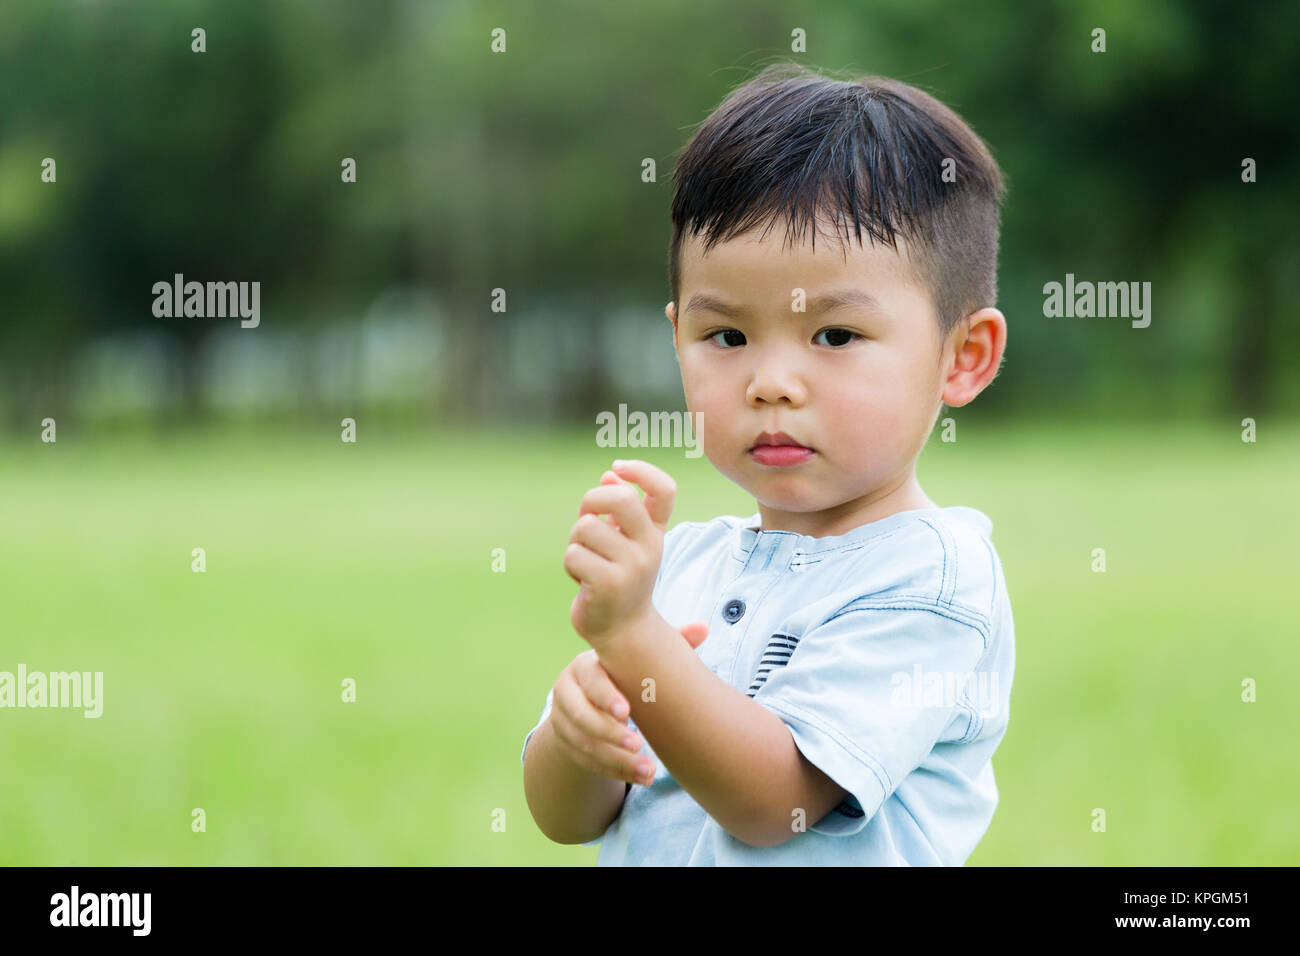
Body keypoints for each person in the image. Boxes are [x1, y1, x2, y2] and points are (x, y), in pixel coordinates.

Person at [522, 61, 1014, 865]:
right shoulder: (683, 563)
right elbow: (565, 818)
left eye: (835, 336)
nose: (771, 384)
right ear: (678, 336)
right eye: (727, 337)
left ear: (963, 356)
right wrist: (579, 738)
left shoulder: (932, 580)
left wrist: (634, 638)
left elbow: (774, 803)